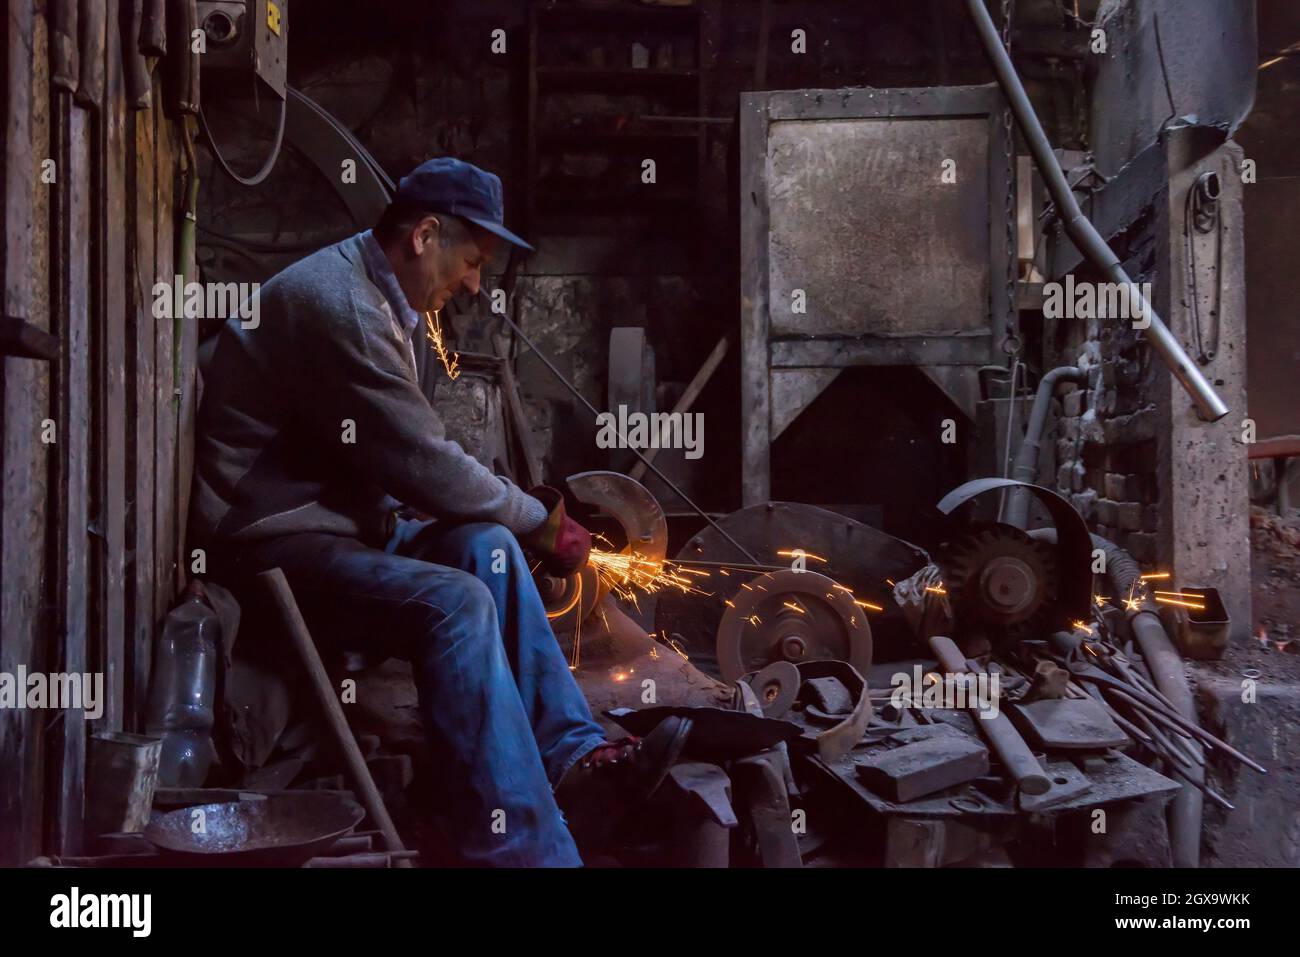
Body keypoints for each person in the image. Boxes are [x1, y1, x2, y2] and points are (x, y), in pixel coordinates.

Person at [190, 157, 683, 866]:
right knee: (455, 602)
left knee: (488, 547)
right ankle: (524, 851)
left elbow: (421, 468)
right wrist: (541, 520)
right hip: (270, 546)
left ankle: (575, 763)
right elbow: (427, 464)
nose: (476, 284)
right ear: (424, 234)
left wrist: (514, 524)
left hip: (346, 528)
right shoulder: (345, 309)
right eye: (473, 261)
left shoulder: (393, 307)